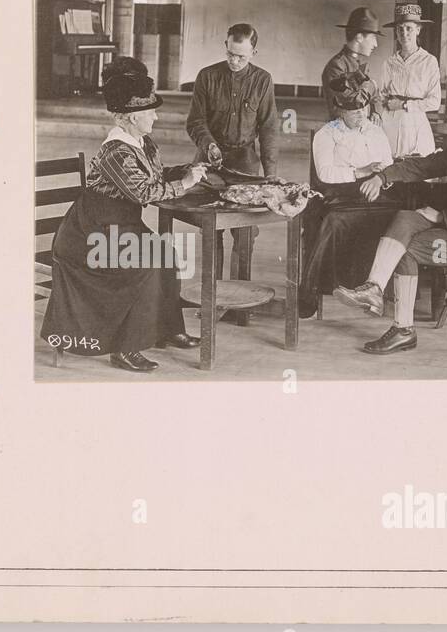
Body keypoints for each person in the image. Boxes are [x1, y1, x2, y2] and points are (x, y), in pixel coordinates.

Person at [40, 57, 205, 373]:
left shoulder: (141, 142)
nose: (156, 116)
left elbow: (152, 176)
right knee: (142, 264)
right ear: (129, 118)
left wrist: (184, 170)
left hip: (117, 225)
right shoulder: (117, 150)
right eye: (149, 112)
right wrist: (185, 183)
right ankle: (125, 349)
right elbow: (143, 192)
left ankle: (169, 329)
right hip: (89, 233)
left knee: (166, 254)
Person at [334, 91, 447, 355]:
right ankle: (373, 288)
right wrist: (382, 177)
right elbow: (422, 167)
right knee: (406, 217)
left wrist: (440, 216)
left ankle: (403, 330)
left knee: (408, 248)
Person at [186, 22, 280, 281]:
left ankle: (239, 300)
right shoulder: (207, 76)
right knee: (211, 230)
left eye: (242, 56)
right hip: (209, 165)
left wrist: (270, 173)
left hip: (246, 166)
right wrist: (209, 145)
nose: (235, 61)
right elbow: (195, 121)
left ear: (254, 54)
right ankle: (212, 297)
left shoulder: (263, 80)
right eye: (230, 54)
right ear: (225, 47)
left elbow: (269, 128)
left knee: (244, 232)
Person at [300, 72, 397, 318]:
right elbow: (325, 173)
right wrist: (360, 171)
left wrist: (378, 177)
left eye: (363, 108)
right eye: (354, 111)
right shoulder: (327, 134)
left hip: (374, 193)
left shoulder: (375, 131)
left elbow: (387, 163)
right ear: (340, 112)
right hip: (339, 195)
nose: (361, 115)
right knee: (332, 222)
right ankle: (308, 290)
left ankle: (373, 289)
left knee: (400, 216)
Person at [377, 3, 440, 157]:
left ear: (418, 30)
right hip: (390, 122)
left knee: (415, 166)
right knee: (388, 163)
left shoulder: (428, 61)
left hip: (415, 122)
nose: (404, 33)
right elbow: (380, 96)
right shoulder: (389, 63)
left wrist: (405, 105)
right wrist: (379, 110)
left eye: (409, 28)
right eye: (400, 29)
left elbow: (434, 102)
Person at [323, 7, 383, 119]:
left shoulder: (360, 62)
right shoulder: (336, 66)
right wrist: (372, 86)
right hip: (343, 130)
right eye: (373, 37)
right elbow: (352, 104)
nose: (375, 44)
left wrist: (375, 112)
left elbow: (374, 99)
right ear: (359, 37)